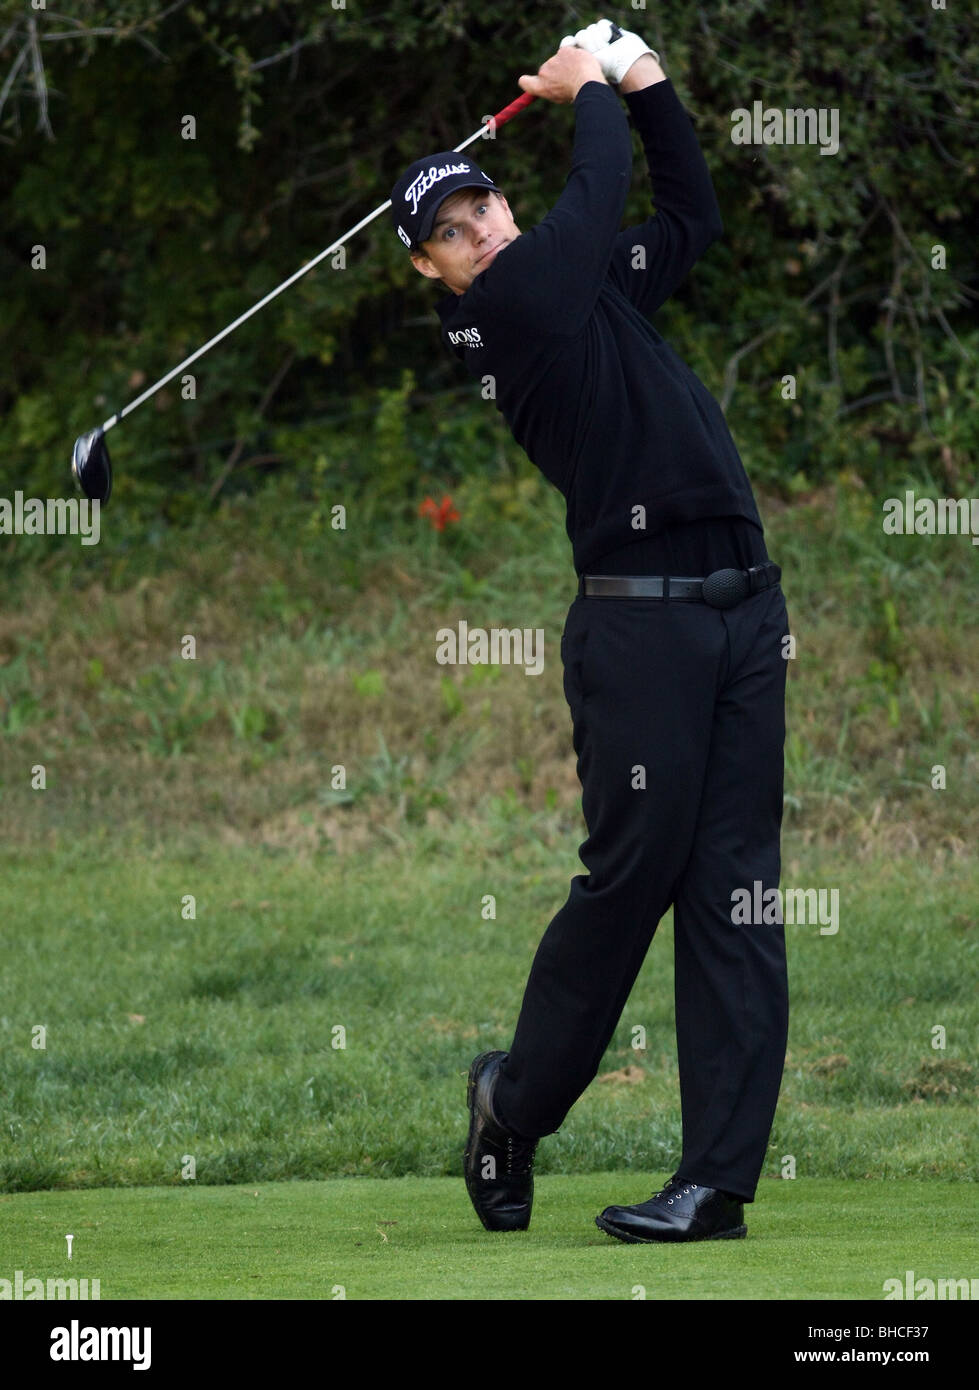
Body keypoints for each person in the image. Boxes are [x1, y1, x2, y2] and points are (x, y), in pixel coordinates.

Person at [390, 18, 791, 1243]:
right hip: (638, 634)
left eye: (485, 206)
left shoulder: (574, 282)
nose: (484, 228)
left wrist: (650, 84)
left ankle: (714, 1184)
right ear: (432, 269)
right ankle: (513, 1103)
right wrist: (587, 91)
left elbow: (690, 220)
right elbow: (595, 195)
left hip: (742, 610)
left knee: (740, 898)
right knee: (628, 888)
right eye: (454, 229)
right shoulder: (500, 316)